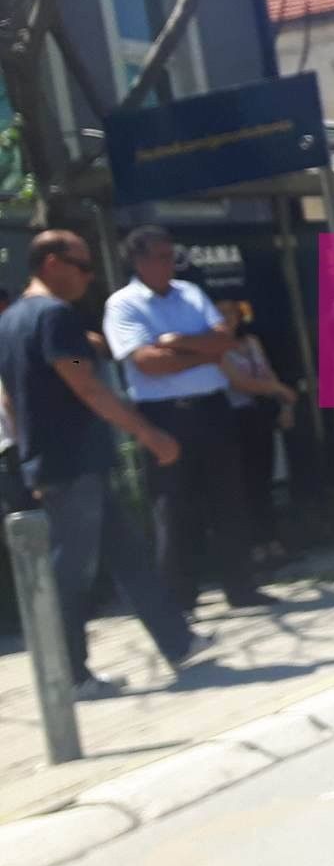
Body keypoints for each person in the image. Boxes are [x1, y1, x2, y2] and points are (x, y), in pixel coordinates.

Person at [0, 230, 209, 697]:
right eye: (83, 266)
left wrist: (27, 452)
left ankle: (178, 641)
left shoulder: (12, 320)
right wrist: (148, 432)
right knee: (70, 574)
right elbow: (88, 387)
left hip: (59, 460)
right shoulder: (55, 315)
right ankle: (68, 676)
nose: (90, 278)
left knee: (128, 555)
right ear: (52, 263)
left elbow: (11, 398)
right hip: (71, 463)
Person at [101, 226, 275, 610]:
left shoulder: (191, 294)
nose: (170, 264)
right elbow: (149, 364)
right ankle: (179, 598)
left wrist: (175, 343)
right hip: (166, 414)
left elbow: (224, 342)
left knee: (230, 499)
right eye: (162, 257)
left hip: (212, 407)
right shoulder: (123, 304)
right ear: (139, 260)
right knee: (175, 507)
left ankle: (241, 588)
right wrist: (202, 353)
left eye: (172, 256)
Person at [220, 302, 294, 566]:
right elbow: (238, 382)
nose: (227, 319)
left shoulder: (252, 342)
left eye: (230, 313)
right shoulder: (212, 348)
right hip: (233, 418)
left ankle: (271, 540)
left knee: (263, 480)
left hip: (260, 415)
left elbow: (268, 373)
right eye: (220, 314)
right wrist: (276, 388)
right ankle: (253, 545)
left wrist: (282, 403)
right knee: (243, 483)